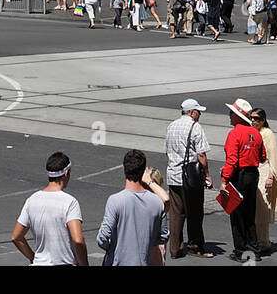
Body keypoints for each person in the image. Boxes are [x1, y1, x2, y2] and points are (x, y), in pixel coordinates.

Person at [12, 152, 88, 266]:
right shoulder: (70, 202)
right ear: (66, 173)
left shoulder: (32, 200)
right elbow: (78, 240)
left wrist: (33, 258)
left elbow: (16, 237)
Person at [97, 149, 169, 266]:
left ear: (124, 169)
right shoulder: (156, 202)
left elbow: (102, 238)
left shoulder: (115, 200)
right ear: (143, 173)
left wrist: (112, 248)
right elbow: (163, 236)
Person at [164, 99, 214, 259]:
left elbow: (167, 150)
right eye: (198, 112)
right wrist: (207, 175)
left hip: (173, 175)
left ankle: (175, 249)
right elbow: (201, 154)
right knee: (195, 213)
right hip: (191, 177)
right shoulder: (195, 127)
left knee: (176, 213)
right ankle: (195, 246)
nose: (199, 115)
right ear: (192, 112)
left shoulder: (171, 126)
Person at [220, 98, 266, 262]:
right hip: (253, 175)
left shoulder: (234, 133)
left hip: (238, 176)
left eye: (232, 112)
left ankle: (241, 251)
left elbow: (232, 161)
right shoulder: (256, 133)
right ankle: (254, 248)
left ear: (238, 116)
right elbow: (262, 157)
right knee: (249, 213)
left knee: (236, 213)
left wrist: (224, 180)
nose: (229, 115)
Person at [251, 108, 277, 254]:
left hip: (264, 172)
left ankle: (263, 241)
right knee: (255, 209)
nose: (253, 121)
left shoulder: (267, 133)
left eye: (256, 118)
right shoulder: (252, 131)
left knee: (263, 209)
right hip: (254, 171)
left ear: (263, 120)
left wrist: (271, 176)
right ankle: (257, 239)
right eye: (251, 118)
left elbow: (272, 157)